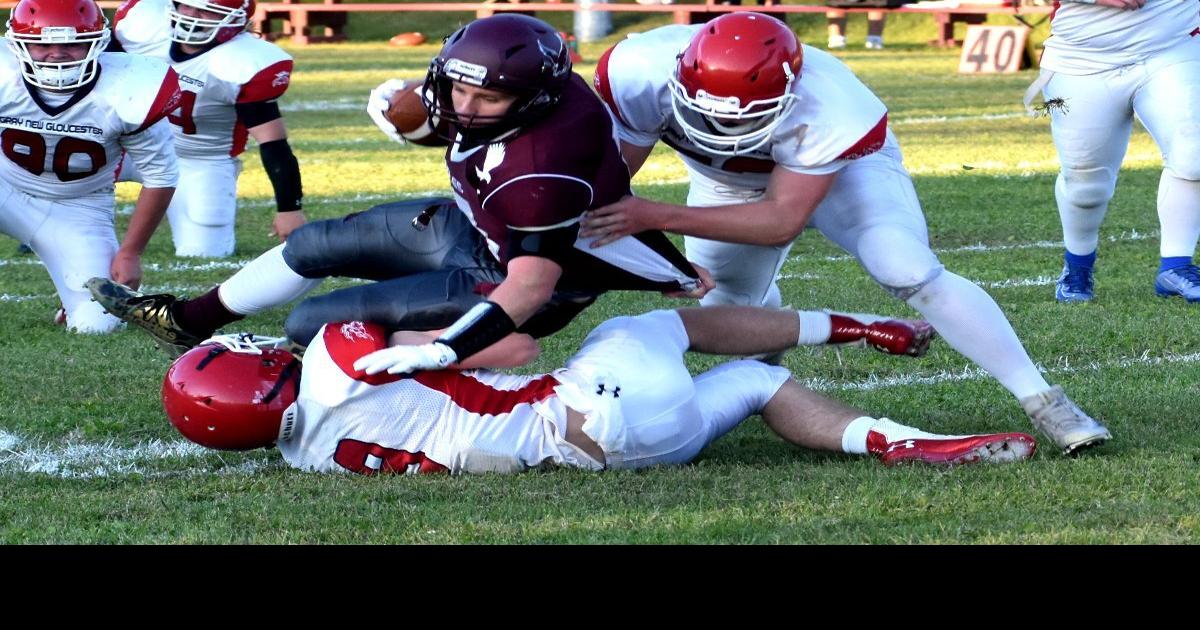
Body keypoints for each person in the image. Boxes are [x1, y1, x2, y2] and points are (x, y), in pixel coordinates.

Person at [88, 13, 933, 368]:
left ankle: (493, 370)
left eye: (482, 99)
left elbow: (529, 284)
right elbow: (448, 116)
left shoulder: (541, 164)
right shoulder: (495, 92)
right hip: (475, 224)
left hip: (519, 274)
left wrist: (456, 344)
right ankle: (187, 320)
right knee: (312, 247)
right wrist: (412, 116)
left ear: (526, 101)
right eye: (455, 88)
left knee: (316, 322)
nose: (464, 106)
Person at [583, 12, 1111, 455]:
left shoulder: (831, 102)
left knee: (904, 265)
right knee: (725, 305)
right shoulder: (637, 69)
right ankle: (763, 379)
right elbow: (610, 191)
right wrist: (661, 258)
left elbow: (779, 221)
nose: (723, 127)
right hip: (724, 181)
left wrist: (660, 216)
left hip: (844, 173)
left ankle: (1044, 400)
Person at [161, 305, 1036, 475]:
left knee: (753, 384)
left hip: (620, 457)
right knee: (656, 323)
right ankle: (855, 325)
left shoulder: (307, 459)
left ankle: (896, 439)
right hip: (594, 401)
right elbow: (514, 337)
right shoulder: (335, 354)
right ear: (263, 375)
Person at [0, 0, 179, 333]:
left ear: (98, 42)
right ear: (16, 46)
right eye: (42, 44)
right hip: (6, 184)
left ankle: (74, 298)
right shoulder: (4, 75)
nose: (57, 53)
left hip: (80, 206)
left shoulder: (130, 86)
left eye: (72, 43)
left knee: (98, 324)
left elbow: (161, 176)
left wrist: (131, 252)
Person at [1023, 0, 1200, 304]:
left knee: (1194, 153)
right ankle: (1077, 264)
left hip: (1173, 46)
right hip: (1081, 58)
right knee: (1085, 185)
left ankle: (1176, 265)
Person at [107, 0, 307, 258]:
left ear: (235, 18)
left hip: (199, 161)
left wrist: (289, 208)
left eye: (205, 10)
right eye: (185, 6)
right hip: (126, 145)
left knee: (204, 251)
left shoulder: (244, 62)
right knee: (59, 161)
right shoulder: (142, 23)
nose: (191, 16)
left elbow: (272, 142)